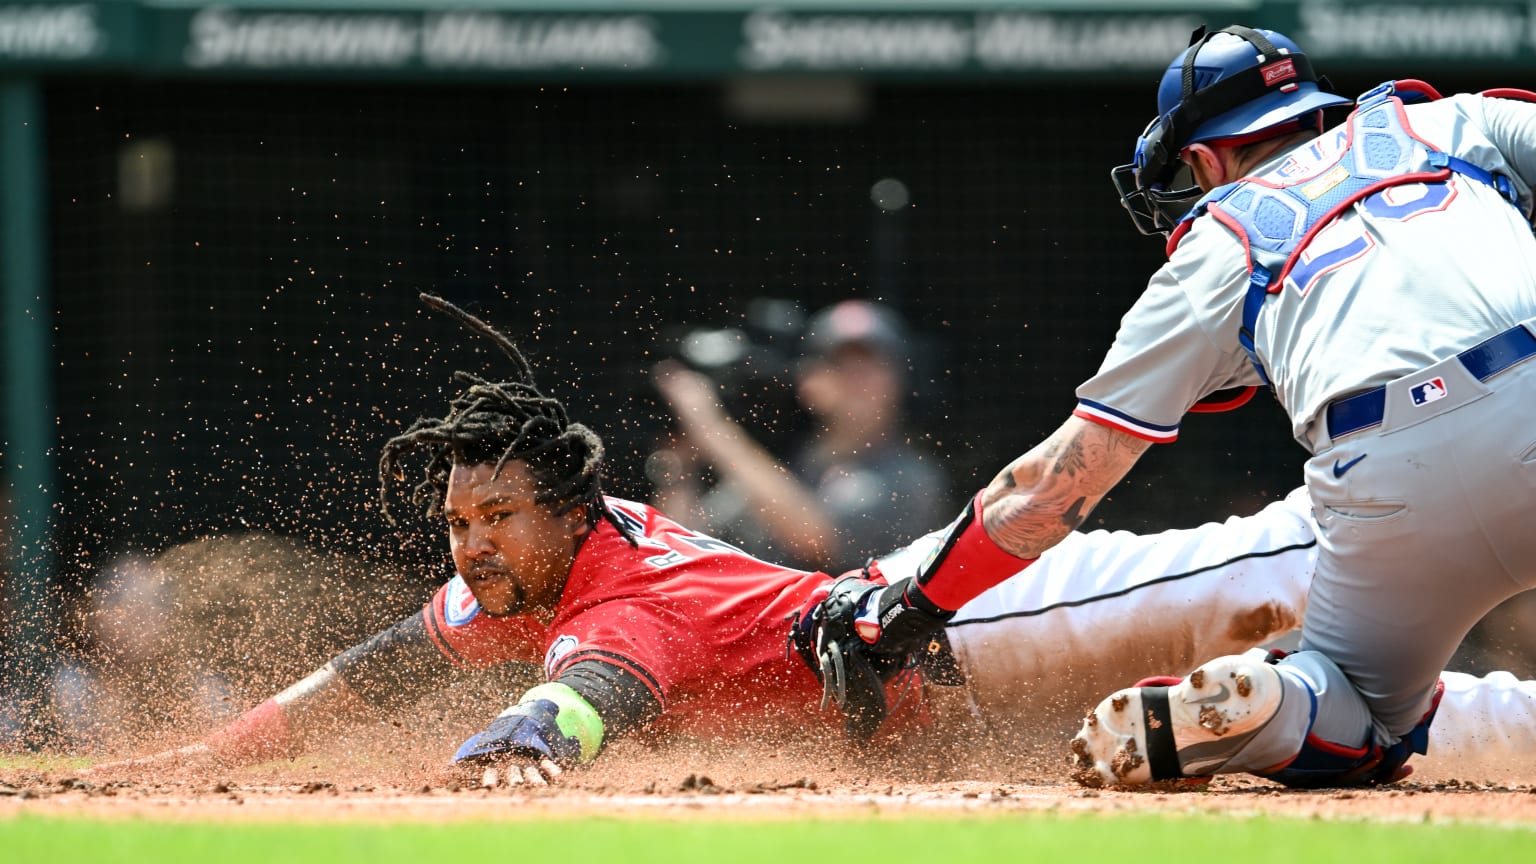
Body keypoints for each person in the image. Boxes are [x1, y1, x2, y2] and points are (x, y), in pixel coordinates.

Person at [91, 295, 1536, 786]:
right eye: (456, 523)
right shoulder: (511, 585)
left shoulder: (612, 604)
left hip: (951, 624)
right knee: (1358, 720)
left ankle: (1470, 468)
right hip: (947, 692)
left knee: (1274, 567)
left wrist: (515, 750)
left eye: (493, 517)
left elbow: (581, 704)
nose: (466, 548)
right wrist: (182, 767)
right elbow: (372, 670)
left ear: (569, 512)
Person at [800, 23, 1536, 790]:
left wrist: (915, 606)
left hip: (1388, 475)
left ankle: (1285, 698)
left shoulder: (1218, 243)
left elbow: (1058, 484)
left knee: (1369, 728)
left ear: (1205, 157)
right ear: (1317, 111)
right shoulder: (1452, 120)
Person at [651, 299, 949, 573]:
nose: (859, 380)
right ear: (810, 380)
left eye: (871, 365)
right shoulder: (784, 467)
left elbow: (819, 541)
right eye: (841, 364)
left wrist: (710, 426)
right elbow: (683, 548)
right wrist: (680, 465)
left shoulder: (910, 476)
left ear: (898, 380)